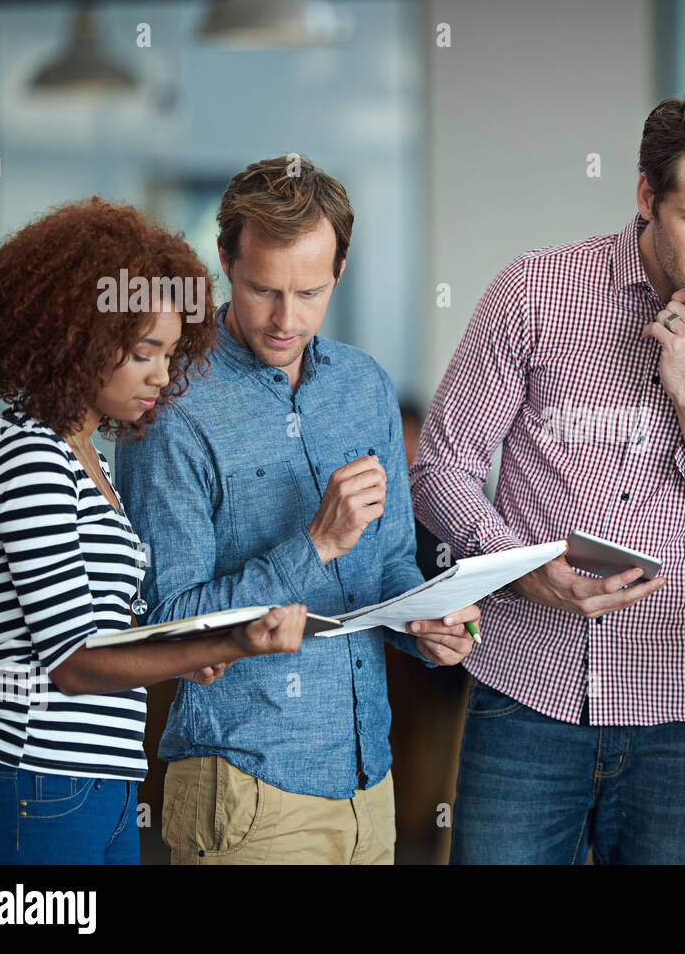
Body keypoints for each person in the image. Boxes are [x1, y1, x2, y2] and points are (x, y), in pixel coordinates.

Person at [411, 89, 685, 864]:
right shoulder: (535, 291)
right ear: (645, 195)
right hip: (525, 696)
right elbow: (442, 466)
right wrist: (525, 570)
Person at [115, 155, 477, 865]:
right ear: (224, 259)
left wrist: (426, 624)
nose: (286, 319)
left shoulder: (365, 387)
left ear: (339, 269)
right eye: (262, 290)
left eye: (310, 292)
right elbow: (167, 626)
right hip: (245, 782)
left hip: (369, 783)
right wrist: (314, 543)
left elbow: (393, 563)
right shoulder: (170, 404)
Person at [0, 198, 309, 865]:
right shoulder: (28, 455)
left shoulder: (88, 458)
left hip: (98, 784)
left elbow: (106, 631)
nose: (163, 376)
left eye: (171, 353)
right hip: (40, 786)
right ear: (75, 335)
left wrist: (191, 646)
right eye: (145, 352)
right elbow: (75, 658)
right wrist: (228, 639)